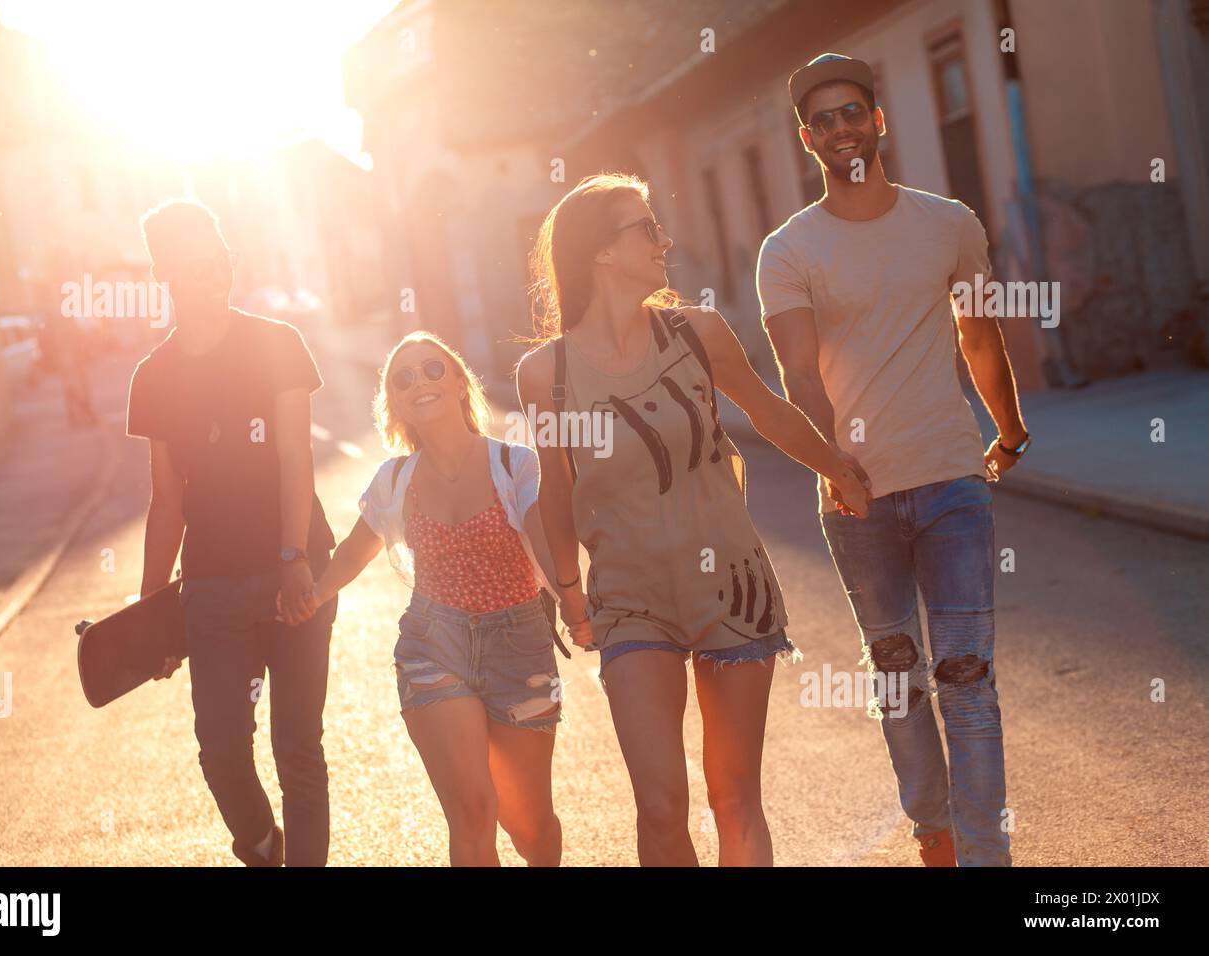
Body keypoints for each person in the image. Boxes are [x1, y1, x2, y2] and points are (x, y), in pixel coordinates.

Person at [516, 172, 871, 866]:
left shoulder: (698, 333)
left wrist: (838, 468)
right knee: (659, 806)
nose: (664, 239)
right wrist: (568, 592)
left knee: (733, 795)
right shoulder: (545, 374)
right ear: (601, 252)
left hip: (731, 585)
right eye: (646, 227)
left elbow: (767, 412)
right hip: (628, 600)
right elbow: (554, 491)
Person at [758, 54, 1031, 867]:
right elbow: (798, 374)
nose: (841, 128)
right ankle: (935, 833)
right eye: (824, 119)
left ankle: (988, 856)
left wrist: (1009, 432)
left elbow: (979, 334)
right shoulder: (788, 248)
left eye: (854, 112)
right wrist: (837, 467)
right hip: (857, 499)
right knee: (900, 676)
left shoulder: (949, 223)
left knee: (966, 677)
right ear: (809, 139)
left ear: (879, 121)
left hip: (951, 478)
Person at [126, 199, 338, 867]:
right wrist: (151, 617)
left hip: (295, 569)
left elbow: (293, 456)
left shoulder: (277, 343)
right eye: (193, 267)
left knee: (297, 746)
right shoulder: (153, 377)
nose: (213, 277)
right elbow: (166, 502)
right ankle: (260, 843)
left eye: (219, 261)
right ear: (164, 275)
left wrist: (293, 555)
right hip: (212, 584)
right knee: (220, 747)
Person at [304, 331, 567, 866]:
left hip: (520, 645)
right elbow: (355, 552)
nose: (420, 382)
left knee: (529, 823)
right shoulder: (393, 480)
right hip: (433, 645)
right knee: (472, 811)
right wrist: (307, 598)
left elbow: (548, 543)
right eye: (403, 379)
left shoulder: (515, 465)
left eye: (432, 369)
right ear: (395, 404)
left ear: (458, 381)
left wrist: (576, 597)